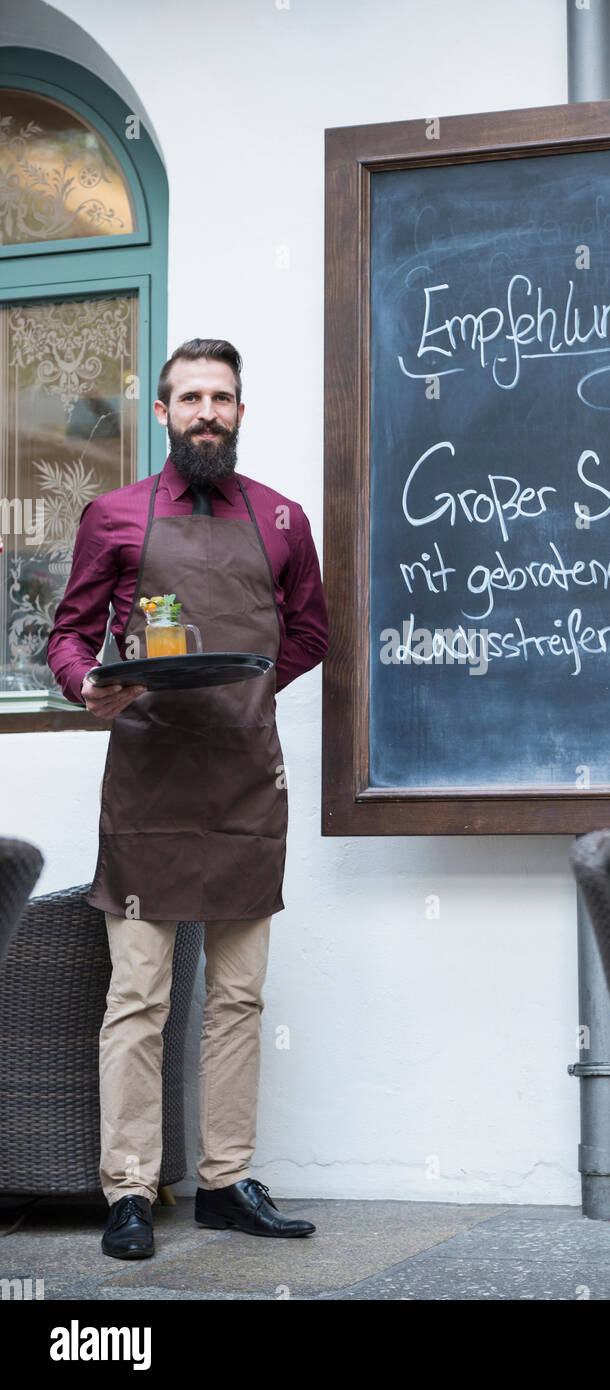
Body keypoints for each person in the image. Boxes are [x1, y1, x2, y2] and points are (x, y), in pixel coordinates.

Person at [46, 338, 328, 1258]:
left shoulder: (283, 520)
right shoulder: (115, 516)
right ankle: (129, 1188)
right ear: (162, 412)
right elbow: (71, 636)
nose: (208, 412)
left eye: (223, 398)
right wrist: (93, 684)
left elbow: (310, 633)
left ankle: (225, 1180)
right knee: (139, 996)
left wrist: (243, 695)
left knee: (238, 997)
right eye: (191, 398)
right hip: (149, 783)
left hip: (247, 781)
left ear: (241, 412)